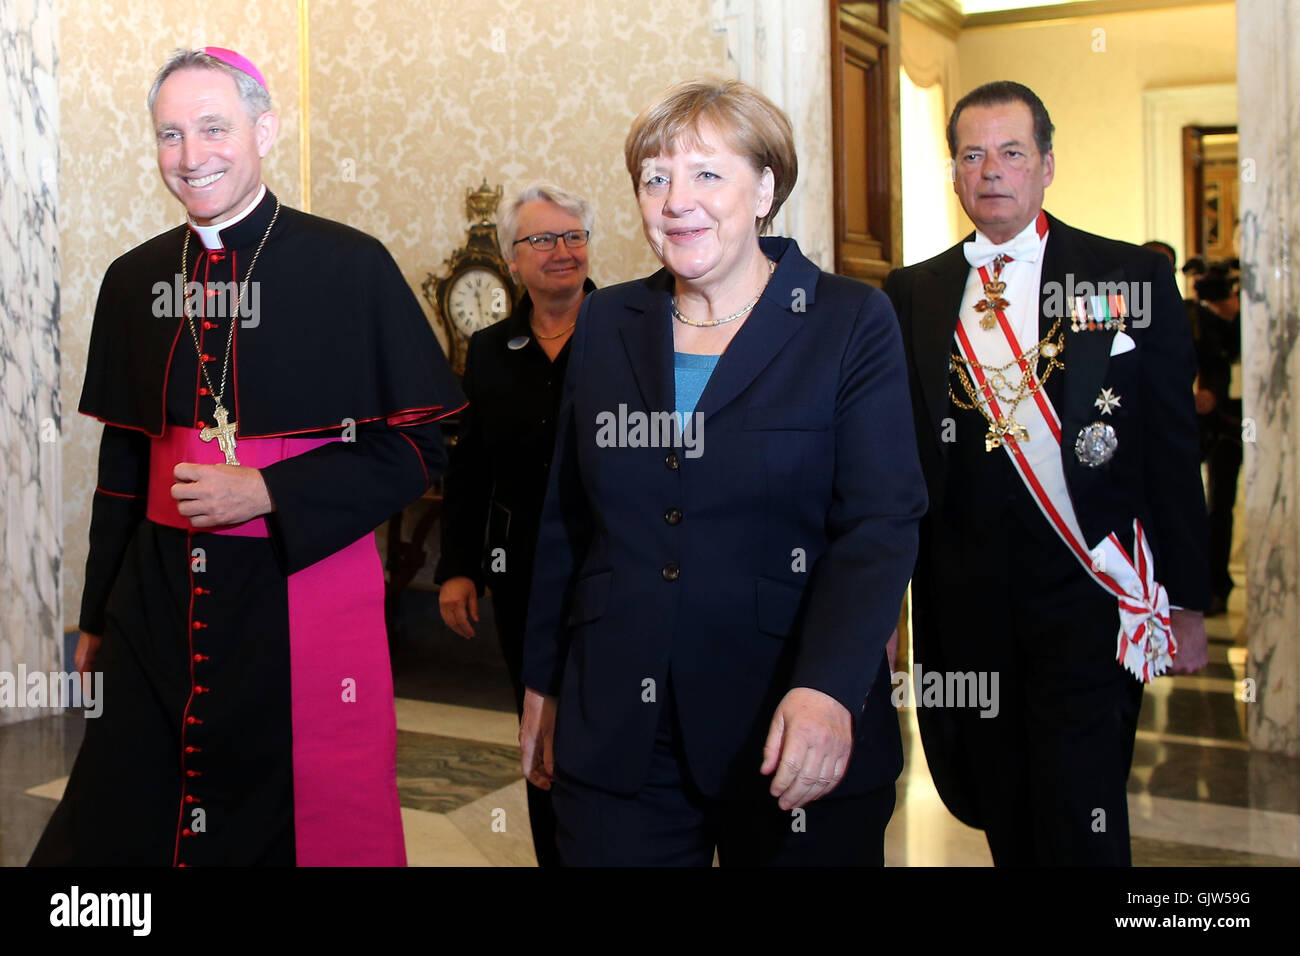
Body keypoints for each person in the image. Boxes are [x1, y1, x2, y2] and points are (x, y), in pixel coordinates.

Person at [30, 47, 463, 866]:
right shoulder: (134, 280)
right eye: (169, 134)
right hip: (156, 598)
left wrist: (268, 490)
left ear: (263, 130)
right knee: (118, 822)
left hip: (293, 595)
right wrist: (97, 615)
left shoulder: (348, 266)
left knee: (281, 822)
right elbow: (123, 470)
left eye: (213, 128)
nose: (192, 157)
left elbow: (417, 447)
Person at [518, 79, 926, 866]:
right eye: (655, 178)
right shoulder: (608, 320)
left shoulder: (848, 320)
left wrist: (830, 687)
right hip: (619, 728)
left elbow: (880, 524)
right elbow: (567, 515)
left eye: (707, 173)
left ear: (766, 188)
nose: (677, 201)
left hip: (787, 718)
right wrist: (543, 680)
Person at [884, 81, 1209, 866]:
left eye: (1012, 152)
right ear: (955, 173)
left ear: (1047, 165)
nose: (991, 170)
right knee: (992, 798)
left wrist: (1189, 602)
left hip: (1088, 592)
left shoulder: (1125, 274)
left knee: (1080, 807)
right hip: (962, 601)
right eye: (972, 154)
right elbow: (894, 465)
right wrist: (884, 609)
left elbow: (1170, 446)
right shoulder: (911, 294)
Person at [435, 183, 597, 867]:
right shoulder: (492, 348)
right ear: (511, 257)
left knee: (612, 725)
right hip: (523, 574)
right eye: (543, 240)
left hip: (618, 570)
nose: (562, 253)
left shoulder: (631, 325)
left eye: (574, 237)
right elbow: (471, 466)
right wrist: (459, 567)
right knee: (540, 725)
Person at [1191, 270, 1242, 616]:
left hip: (1240, 425)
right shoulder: (1193, 317)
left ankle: (1217, 586)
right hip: (1197, 424)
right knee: (1192, 503)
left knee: (1220, 506)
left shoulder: (1244, 323)